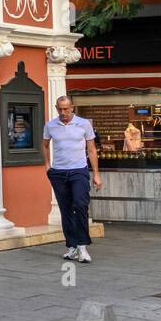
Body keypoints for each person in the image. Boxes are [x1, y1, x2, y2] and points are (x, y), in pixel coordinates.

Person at [43, 95, 101, 263]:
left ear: (72, 107)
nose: (63, 112)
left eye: (66, 109)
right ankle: (72, 246)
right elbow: (45, 145)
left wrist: (96, 174)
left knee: (80, 204)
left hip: (79, 170)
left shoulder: (84, 124)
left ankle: (82, 246)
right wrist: (47, 166)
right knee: (66, 209)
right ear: (56, 108)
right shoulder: (50, 125)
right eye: (60, 109)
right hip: (59, 172)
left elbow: (91, 150)